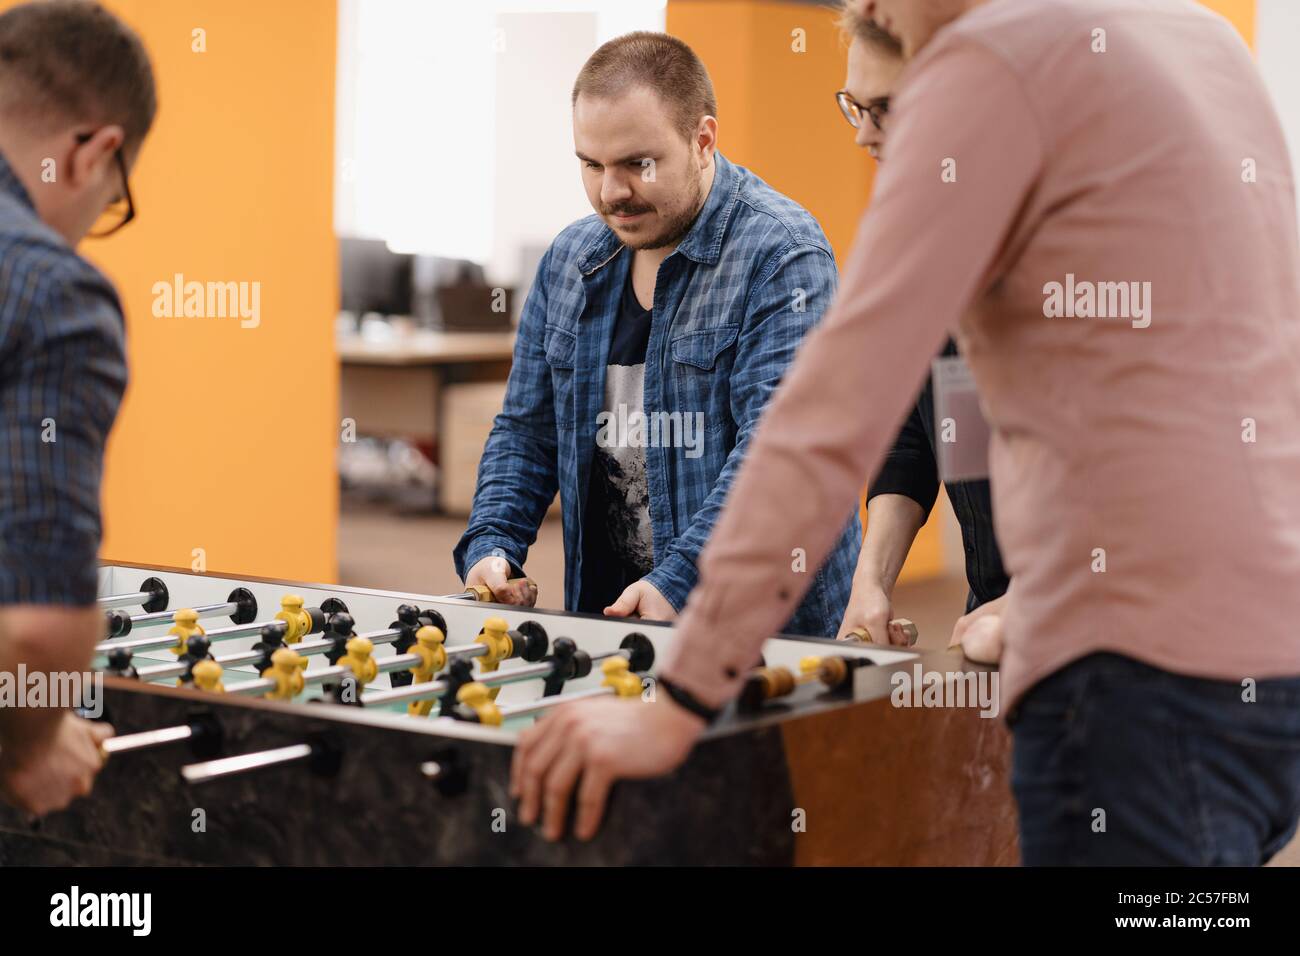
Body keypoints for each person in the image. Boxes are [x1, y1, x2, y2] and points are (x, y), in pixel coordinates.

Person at [512, 0, 1300, 866]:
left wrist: (681, 700)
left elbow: (831, 411)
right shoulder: (1200, 35)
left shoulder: (988, 66)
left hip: (1134, 692)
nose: (863, 7)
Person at [455, 32, 861, 636]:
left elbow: (778, 455)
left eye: (636, 164)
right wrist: (494, 544)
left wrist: (679, 578)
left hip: (758, 634)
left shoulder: (782, 255)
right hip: (609, 620)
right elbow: (527, 431)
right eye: (591, 165)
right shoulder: (569, 261)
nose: (611, 192)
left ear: (702, 141)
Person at [0, 0, 156, 817]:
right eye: (112, 205)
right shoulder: (52, 291)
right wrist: (30, 751)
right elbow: (34, 632)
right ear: (96, 153)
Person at [831, 20, 1009, 649]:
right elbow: (919, 425)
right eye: (854, 106)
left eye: (884, 109)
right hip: (995, 625)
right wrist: (872, 579)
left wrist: (1052, 595)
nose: (862, 135)